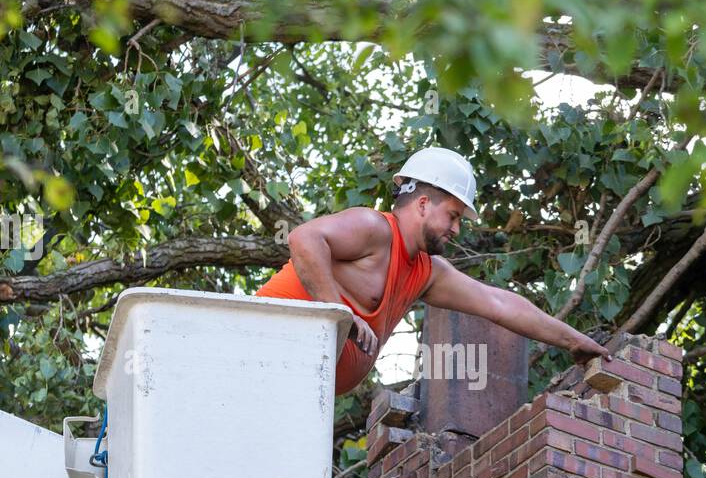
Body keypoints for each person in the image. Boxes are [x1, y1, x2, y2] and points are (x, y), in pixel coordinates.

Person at [254, 145, 612, 396]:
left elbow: (501, 304)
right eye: (453, 216)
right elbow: (305, 238)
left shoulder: (427, 272)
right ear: (423, 204)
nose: (457, 229)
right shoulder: (374, 229)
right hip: (256, 352)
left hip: (296, 387)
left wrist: (574, 341)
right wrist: (339, 314)